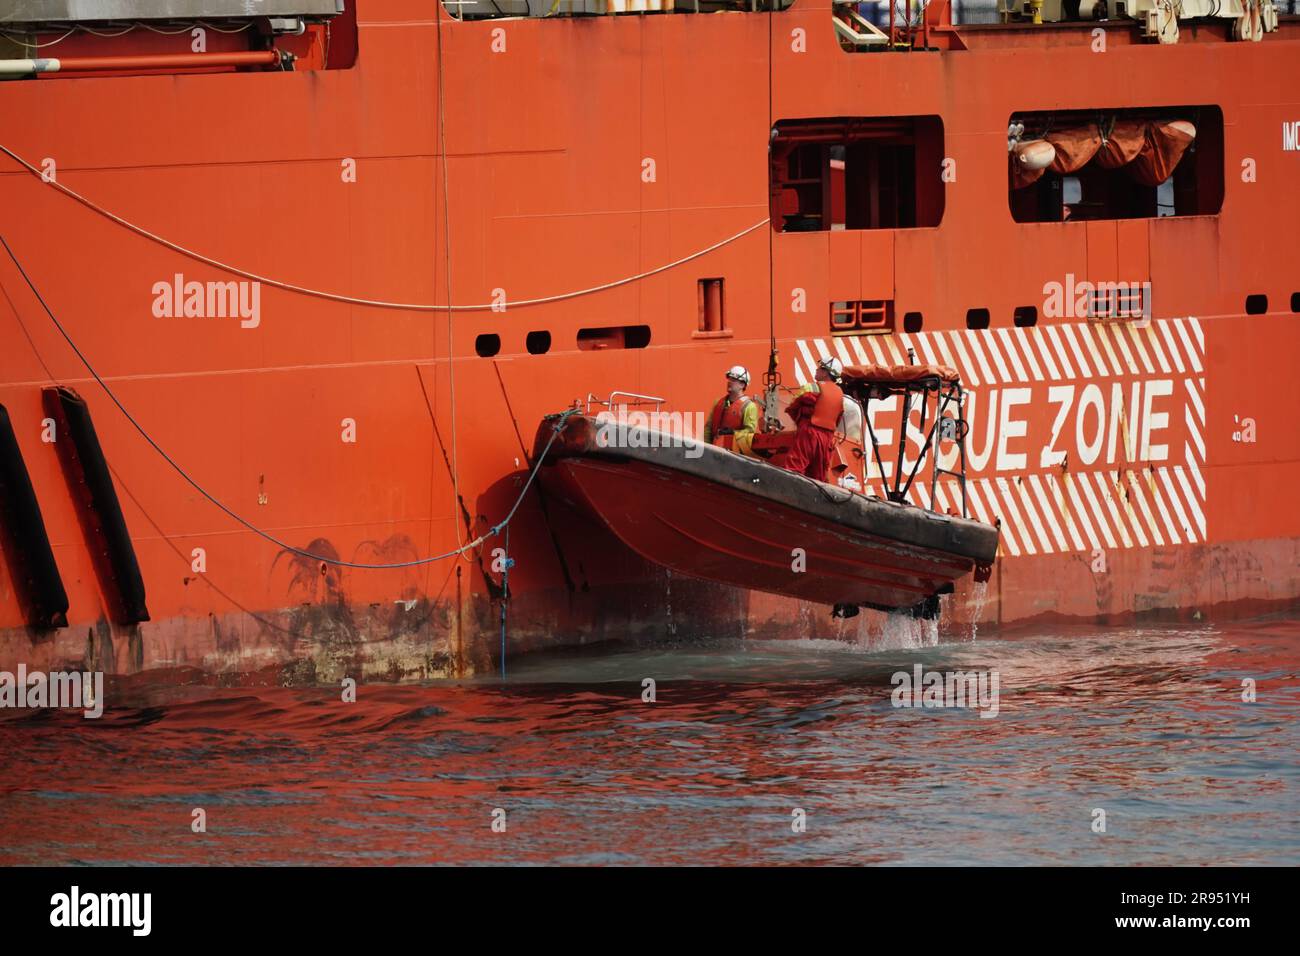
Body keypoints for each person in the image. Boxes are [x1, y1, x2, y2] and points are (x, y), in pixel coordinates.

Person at [784, 356, 844, 481]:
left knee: (794, 467)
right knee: (818, 475)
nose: (817, 370)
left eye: (820, 368)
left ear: (825, 372)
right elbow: (838, 417)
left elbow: (793, 407)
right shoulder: (840, 394)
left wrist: (800, 423)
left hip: (809, 432)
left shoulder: (810, 388)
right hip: (827, 439)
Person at [703, 365, 759, 456]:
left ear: (742, 384)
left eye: (733, 380)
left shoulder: (749, 407)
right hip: (715, 451)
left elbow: (750, 432)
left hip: (735, 456)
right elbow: (708, 428)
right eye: (729, 379)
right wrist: (706, 448)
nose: (729, 382)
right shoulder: (718, 403)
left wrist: (733, 433)